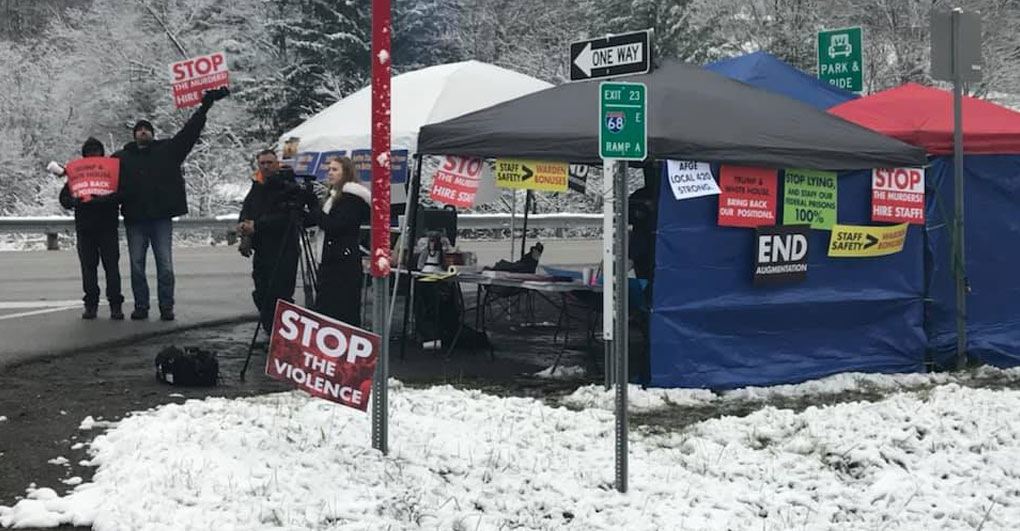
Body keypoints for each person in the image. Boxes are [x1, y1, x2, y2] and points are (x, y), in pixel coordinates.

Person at [114, 87, 229, 321]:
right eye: (139, 129)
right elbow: (97, 174)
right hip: (135, 219)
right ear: (134, 135)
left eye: (147, 129)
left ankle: (166, 306)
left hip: (160, 218)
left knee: (165, 265)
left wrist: (205, 106)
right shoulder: (121, 158)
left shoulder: (168, 151)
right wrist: (70, 175)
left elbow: (190, 132)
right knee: (136, 266)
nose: (143, 132)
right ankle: (141, 306)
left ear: (152, 134)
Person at [237, 149, 317, 332]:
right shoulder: (257, 186)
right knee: (261, 293)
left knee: (280, 295)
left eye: (269, 163)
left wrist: (257, 225)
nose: (266, 167)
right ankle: (270, 330)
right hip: (262, 249)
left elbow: (288, 217)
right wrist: (245, 231)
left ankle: (282, 333)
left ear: (277, 164)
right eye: (262, 163)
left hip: (284, 248)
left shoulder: (287, 187)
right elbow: (247, 210)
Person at [57, 137, 124, 320]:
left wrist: (101, 199)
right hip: (86, 228)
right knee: (89, 268)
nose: (93, 154)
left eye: (96, 150)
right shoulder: (78, 174)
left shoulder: (110, 172)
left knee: (111, 267)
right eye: (90, 151)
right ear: (85, 154)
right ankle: (91, 304)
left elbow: (121, 195)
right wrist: (74, 201)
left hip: (107, 227)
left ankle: (115, 304)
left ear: (101, 153)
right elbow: (64, 198)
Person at [312, 156, 370, 327]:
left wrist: (315, 209)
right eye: (329, 169)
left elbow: (335, 225)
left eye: (335, 169)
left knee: (340, 309)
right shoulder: (333, 197)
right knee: (328, 308)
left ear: (346, 172)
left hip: (342, 262)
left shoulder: (351, 198)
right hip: (332, 259)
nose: (330, 173)